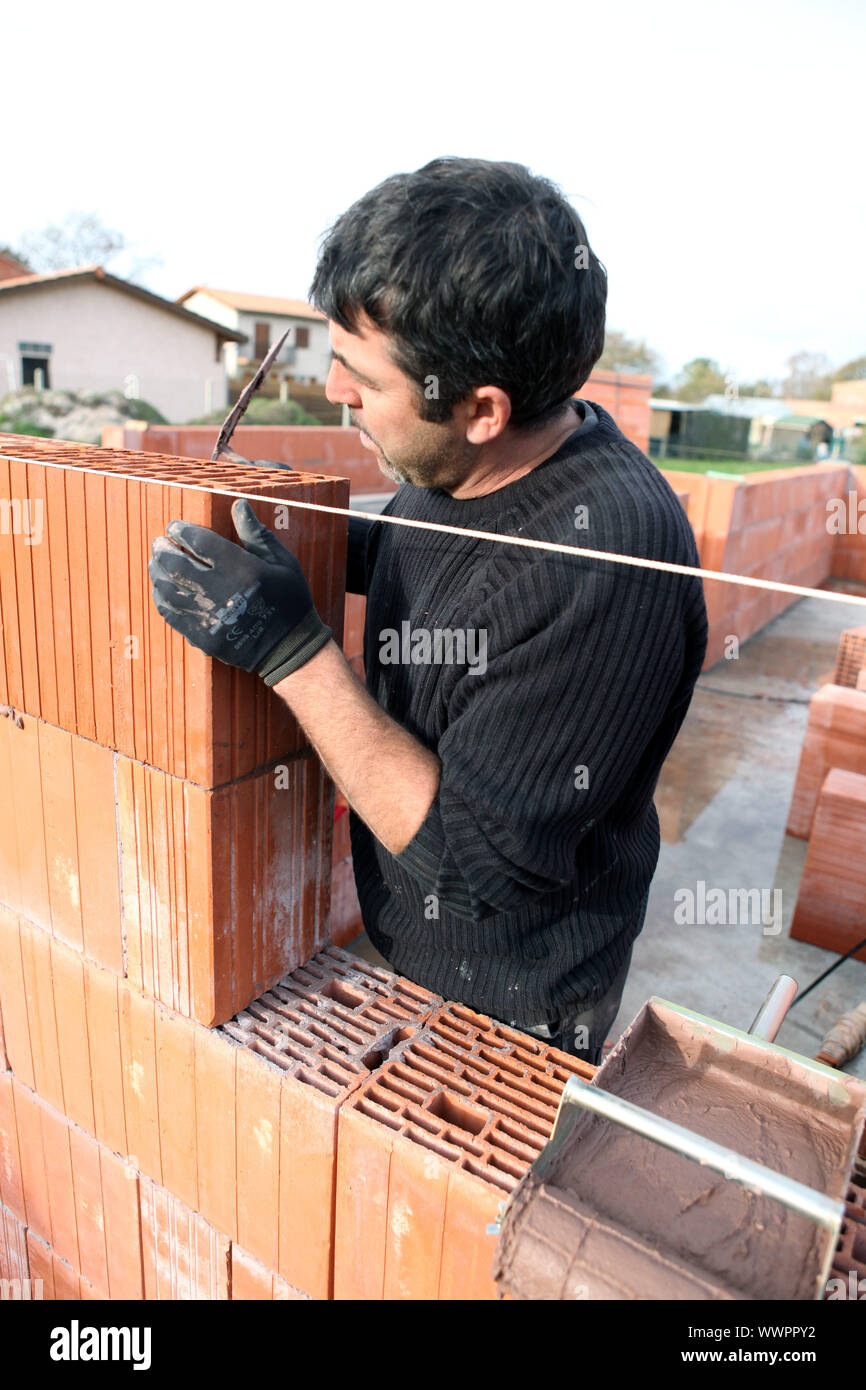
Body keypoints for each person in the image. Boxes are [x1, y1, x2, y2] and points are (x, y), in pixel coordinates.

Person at [149, 158, 708, 1065]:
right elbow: (447, 559)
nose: (337, 393)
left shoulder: (606, 569)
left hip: (511, 1002)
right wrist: (312, 551)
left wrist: (291, 651)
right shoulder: (467, 462)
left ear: (481, 408)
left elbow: (471, 863)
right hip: (414, 938)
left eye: (362, 379)